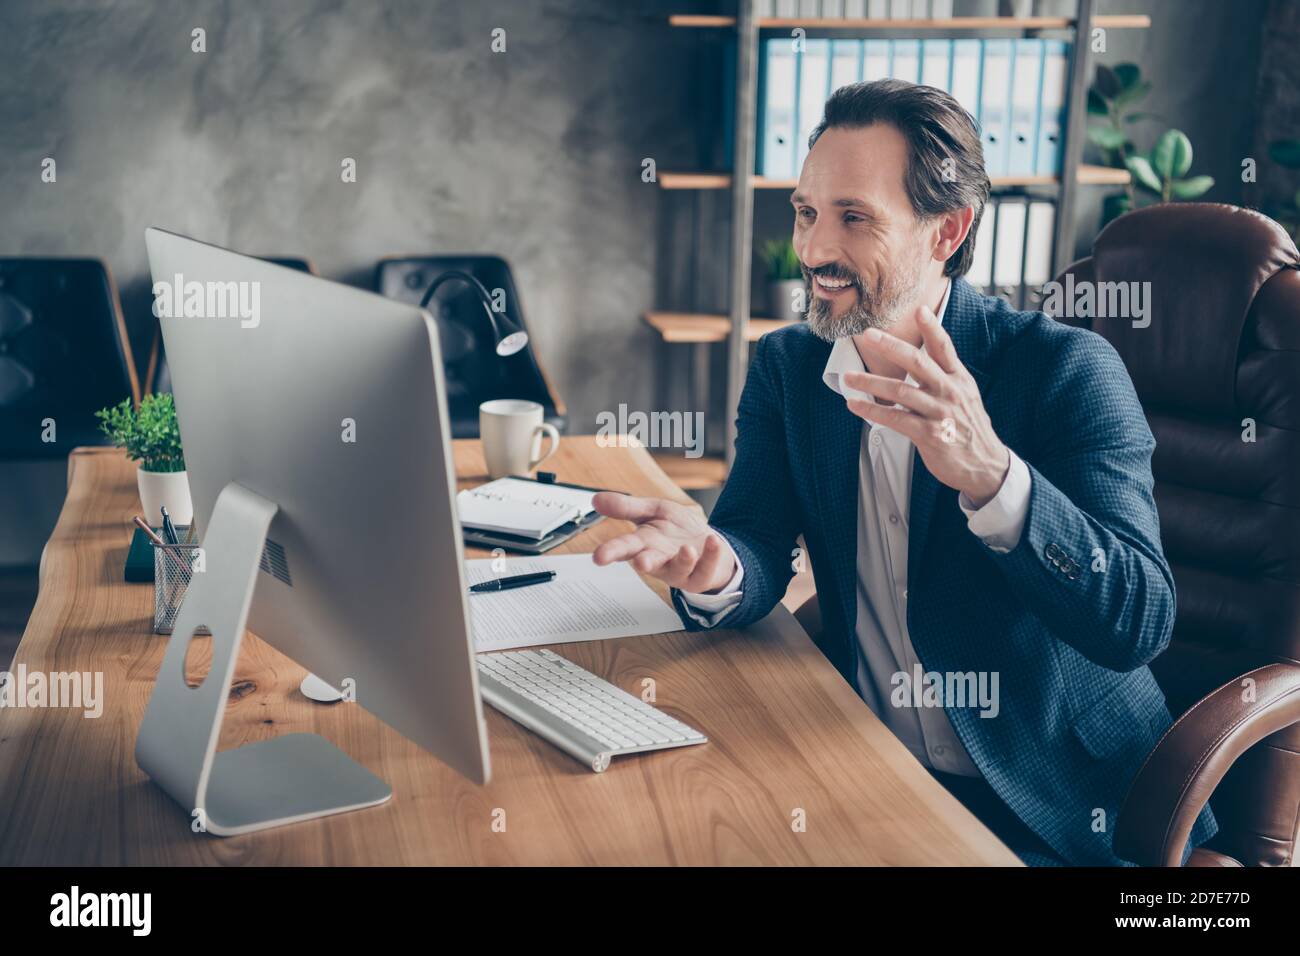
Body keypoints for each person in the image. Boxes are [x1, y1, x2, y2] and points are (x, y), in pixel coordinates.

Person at [592, 79, 1216, 866]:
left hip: (1054, 804)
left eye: (854, 218)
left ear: (947, 230)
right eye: (807, 213)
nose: (813, 250)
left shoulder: (1066, 369)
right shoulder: (788, 368)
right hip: (867, 767)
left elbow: (1137, 623)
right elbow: (754, 538)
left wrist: (994, 479)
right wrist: (714, 565)